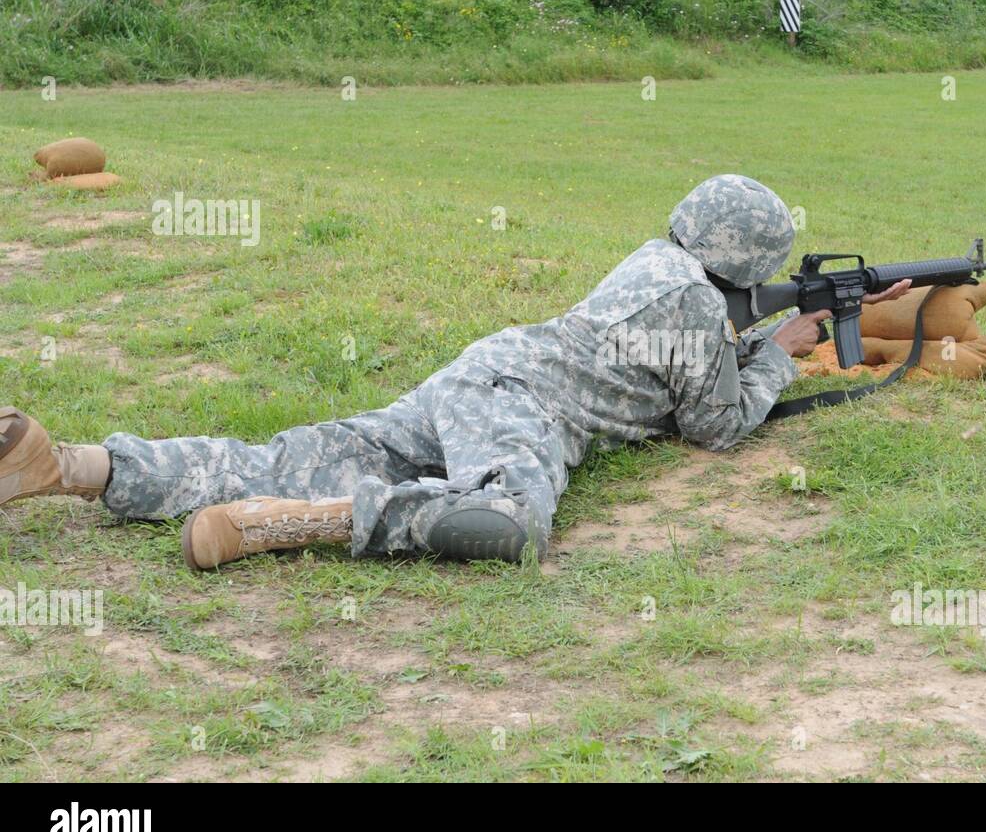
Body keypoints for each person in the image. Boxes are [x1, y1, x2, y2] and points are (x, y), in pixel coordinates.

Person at [0, 175, 909, 570]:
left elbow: (683, 373)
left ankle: (73, 465)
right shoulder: (696, 308)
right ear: (748, 260)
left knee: (302, 446)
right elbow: (715, 426)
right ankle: (289, 525)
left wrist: (750, 340)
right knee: (506, 522)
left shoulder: (658, 263)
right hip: (522, 403)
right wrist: (780, 356)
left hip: (481, 369)